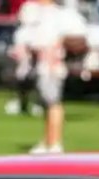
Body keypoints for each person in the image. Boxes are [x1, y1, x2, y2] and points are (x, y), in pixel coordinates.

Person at [14, 0, 70, 154]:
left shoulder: (58, 14)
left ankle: (55, 143)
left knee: (53, 103)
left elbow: (61, 38)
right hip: (38, 64)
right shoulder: (33, 10)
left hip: (50, 66)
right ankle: (48, 140)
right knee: (46, 103)